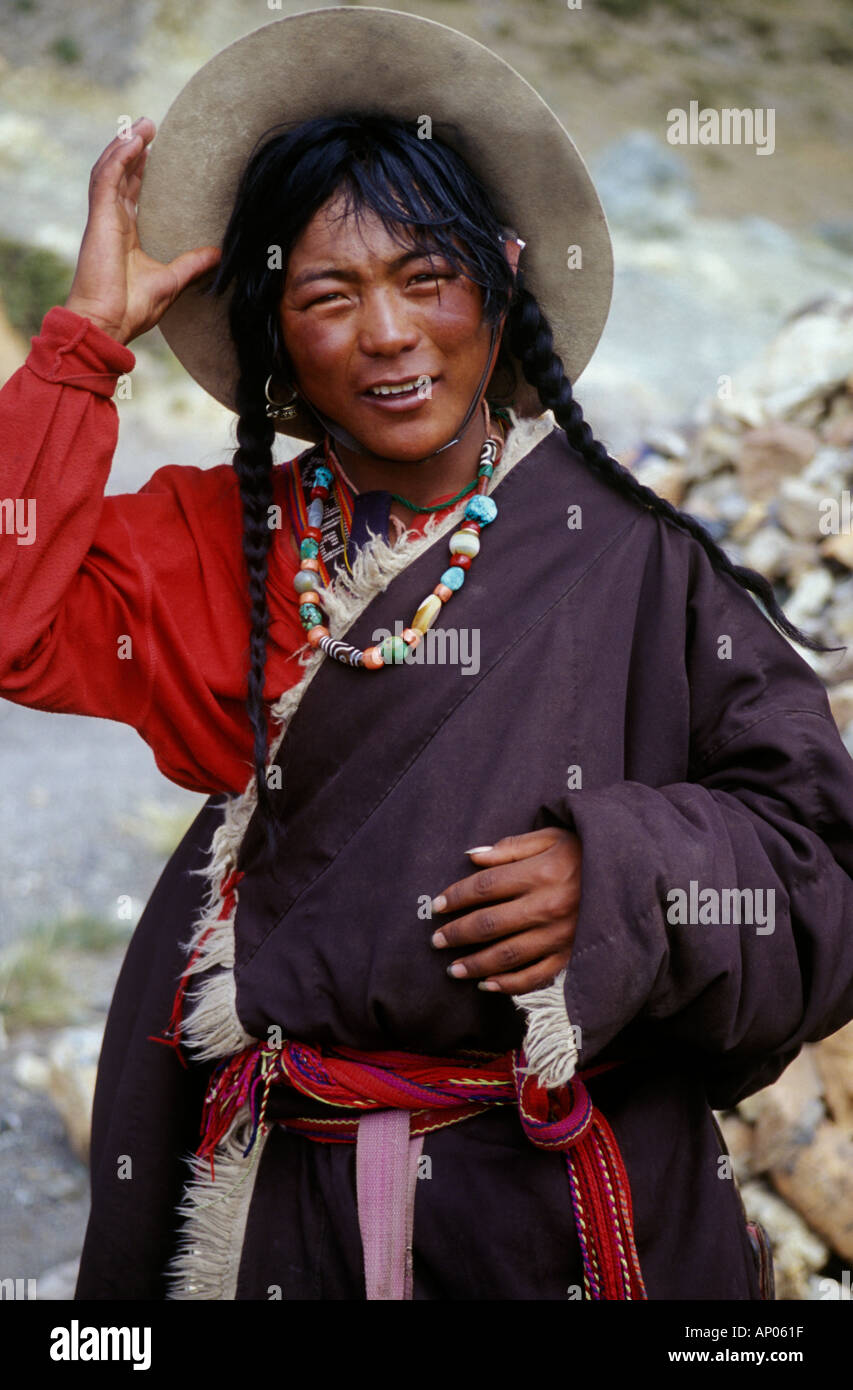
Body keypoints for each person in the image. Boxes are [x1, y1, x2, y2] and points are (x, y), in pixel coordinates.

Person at [3, 9, 853, 1302]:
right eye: (328, 296)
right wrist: (82, 337)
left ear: (502, 276)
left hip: (571, 1214)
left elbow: (823, 870)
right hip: (293, 1222)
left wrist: (619, 876)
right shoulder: (218, 550)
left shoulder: (630, 557)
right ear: (274, 331)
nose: (390, 333)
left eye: (426, 276)